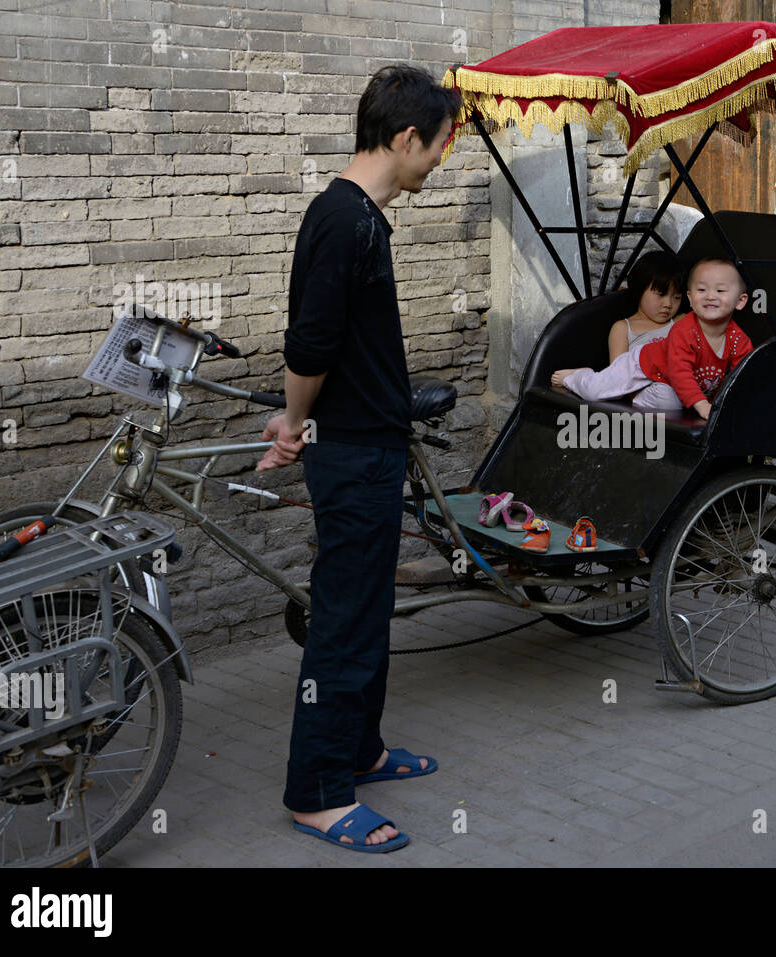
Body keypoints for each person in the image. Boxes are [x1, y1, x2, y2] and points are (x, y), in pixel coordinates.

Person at [255, 64, 460, 853]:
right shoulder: (345, 219)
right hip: (350, 457)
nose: (438, 163)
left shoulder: (359, 216)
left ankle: (362, 749)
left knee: (370, 612)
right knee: (340, 623)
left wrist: (301, 416)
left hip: (372, 446)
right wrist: (294, 423)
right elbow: (310, 342)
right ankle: (316, 791)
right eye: (437, 147)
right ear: (406, 137)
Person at [552, 257, 753, 419]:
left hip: (667, 382)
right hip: (639, 364)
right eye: (702, 290)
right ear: (692, 299)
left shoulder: (738, 340)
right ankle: (578, 377)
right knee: (596, 392)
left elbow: (740, 376)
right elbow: (679, 371)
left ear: (740, 301)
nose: (710, 296)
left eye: (720, 291)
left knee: (670, 403)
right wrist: (701, 405)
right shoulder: (683, 330)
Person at [604, 250, 684, 362]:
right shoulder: (623, 329)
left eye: (677, 297)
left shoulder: (681, 322)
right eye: (660, 294)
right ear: (640, 290)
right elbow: (617, 374)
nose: (668, 304)